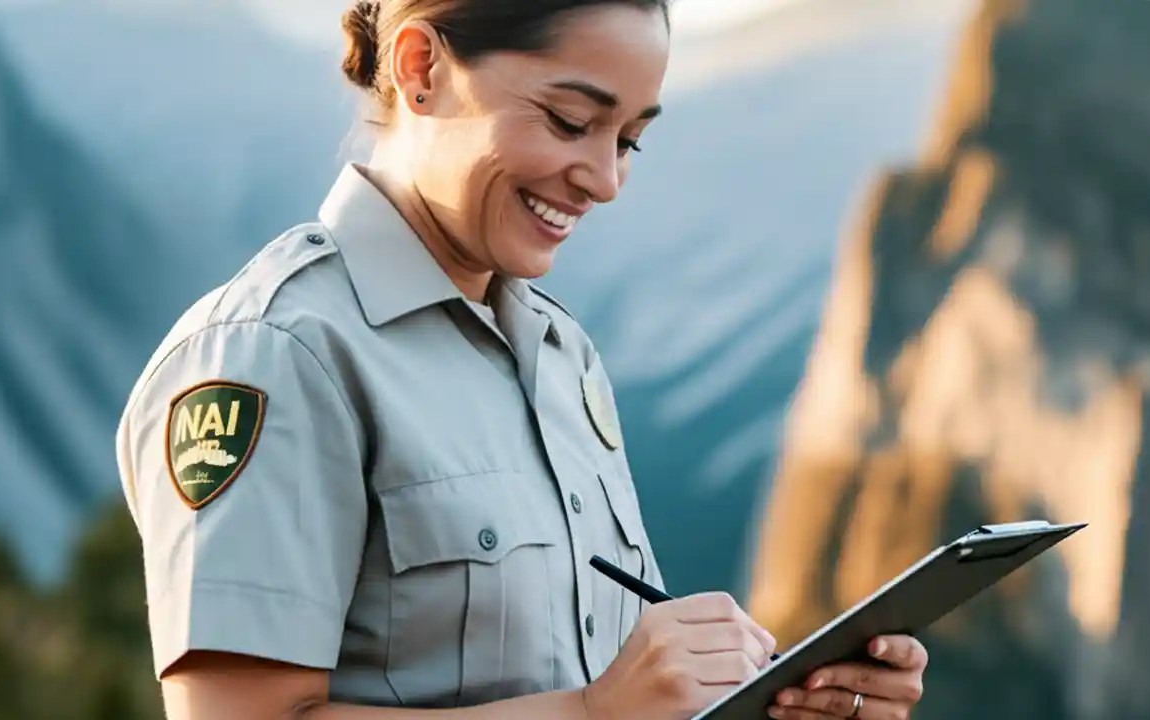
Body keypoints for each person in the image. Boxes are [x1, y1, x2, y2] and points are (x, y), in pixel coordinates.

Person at [115, 1, 930, 718]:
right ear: (420, 66)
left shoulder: (560, 354)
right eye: (572, 121)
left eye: (631, 141)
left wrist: (774, 700)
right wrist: (592, 715)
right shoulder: (274, 353)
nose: (605, 180)